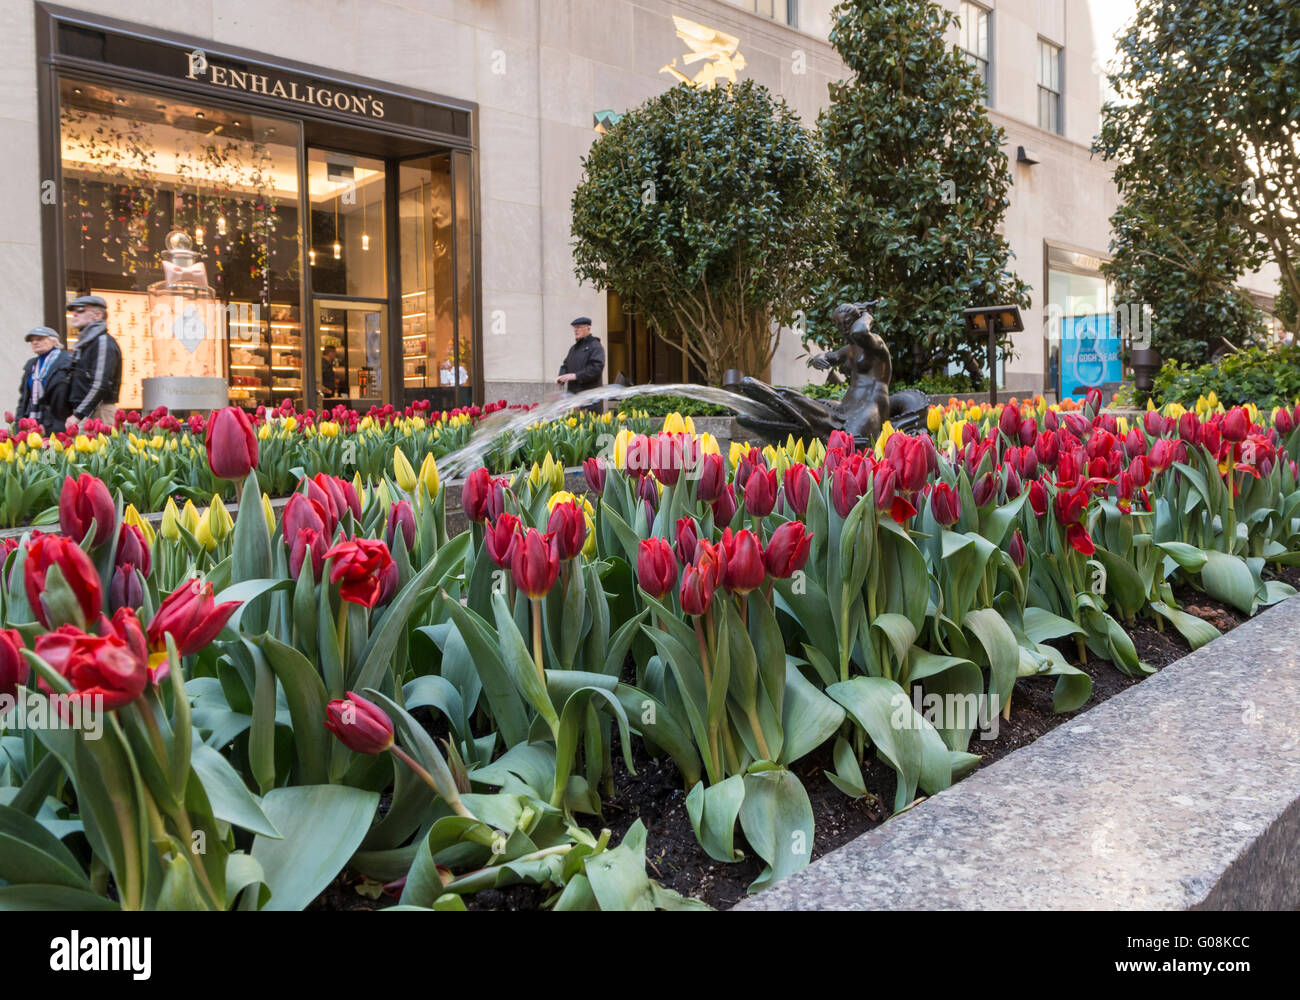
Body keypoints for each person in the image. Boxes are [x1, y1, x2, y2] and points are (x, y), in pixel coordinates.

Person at [66, 295, 122, 427]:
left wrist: (78, 415)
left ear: (98, 315)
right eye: (73, 310)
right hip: (86, 412)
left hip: (97, 412)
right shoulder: (86, 343)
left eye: (80, 310)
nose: (74, 314)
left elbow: (100, 384)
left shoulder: (102, 341)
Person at [15, 326, 74, 434]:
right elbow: (24, 399)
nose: (35, 342)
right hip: (32, 423)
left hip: (59, 423)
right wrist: (18, 424)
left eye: (40, 339)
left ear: (54, 341)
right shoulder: (31, 365)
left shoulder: (68, 362)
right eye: (32, 340)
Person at [556, 317, 605, 410]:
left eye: (578, 327)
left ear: (588, 328)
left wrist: (576, 376)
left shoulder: (595, 346)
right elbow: (565, 364)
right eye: (574, 328)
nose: (575, 330)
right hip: (574, 398)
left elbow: (596, 368)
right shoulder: (573, 348)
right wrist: (561, 376)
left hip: (589, 399)